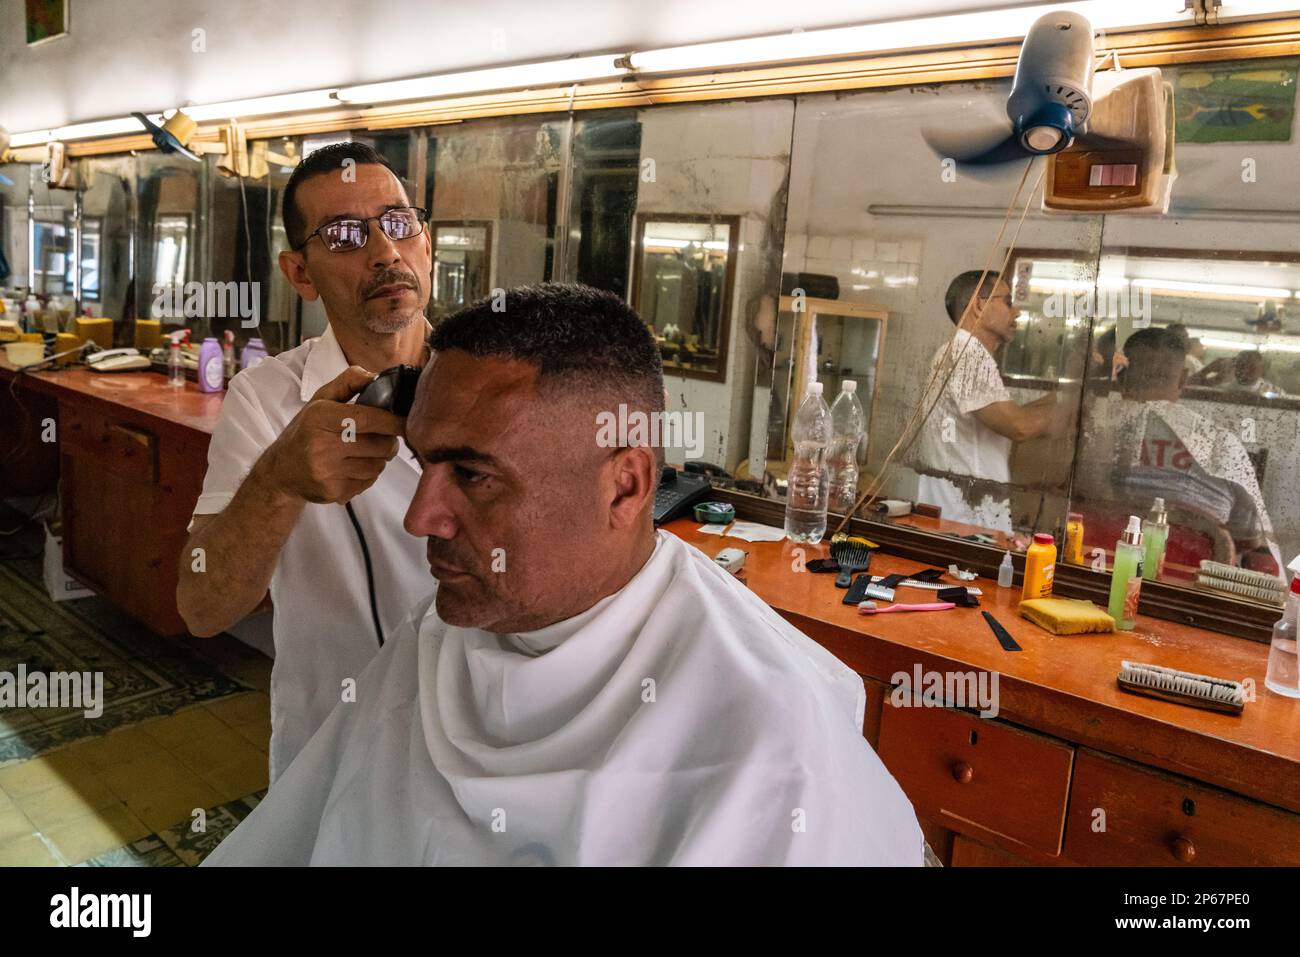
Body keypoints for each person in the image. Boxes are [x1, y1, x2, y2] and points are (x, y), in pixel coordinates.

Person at [203, 283, 923, 866]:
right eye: (424, 465)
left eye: (474, 475)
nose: (420, 518)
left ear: (626, 486)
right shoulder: (435, 639)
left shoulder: (766, 736)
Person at [176, 142, 436, 783]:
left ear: (425, 241)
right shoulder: (264, 399)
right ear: (300, 273)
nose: (384, 253)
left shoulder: (499, 381)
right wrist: (279, 479)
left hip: (484, 738)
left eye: (399, 223)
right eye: (346, 237)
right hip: (329, 746)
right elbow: (202, 608)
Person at [1079, 327, 1279, 572]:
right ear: (1183, 378)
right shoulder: (1221, 444)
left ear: (1121, 374)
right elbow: (1247, 538)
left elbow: (1068, 502)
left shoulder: (1092, 431)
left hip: (1096, 570)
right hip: (1192, 594)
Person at [912, 270, 1066, 533]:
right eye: (1007, 301)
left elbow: (1009, 414)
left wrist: (1059, 398)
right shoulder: (966, 354)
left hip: (963, 519)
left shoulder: (967, 353)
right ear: (979, 304)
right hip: (966, 524)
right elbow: (1019, 426)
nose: (1016, 312)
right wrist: (1069, 408)